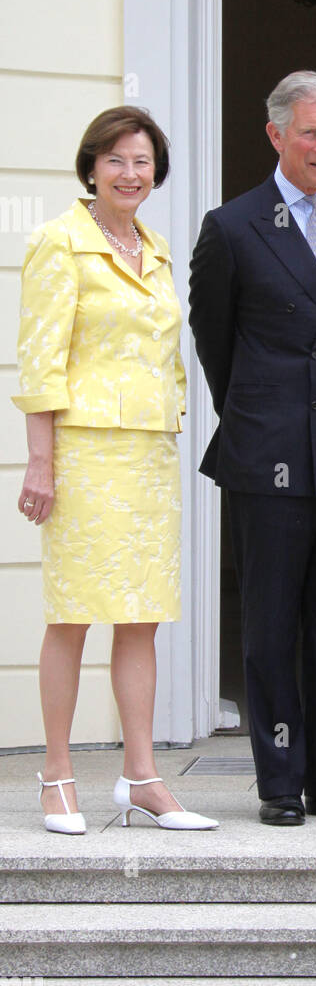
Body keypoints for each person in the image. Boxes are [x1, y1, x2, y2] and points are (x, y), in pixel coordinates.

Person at [189, 70, 316, 826]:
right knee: (272, 626)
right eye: (309, 132)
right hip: (268, 452)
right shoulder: (233, 224)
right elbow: (214, 341)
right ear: (275, 136)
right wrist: (257, 416)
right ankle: (279, 781)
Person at [14, 106, 217, 834]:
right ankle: (58, 776)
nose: (131, 174)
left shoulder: (156, 249)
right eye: (117, 161)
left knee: (141, 620)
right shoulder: (58, 243)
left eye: (143, 162)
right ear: (91, 167)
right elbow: (40, 363)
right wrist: (41, 463)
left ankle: (141, 778)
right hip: (81, 454)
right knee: (72, 616)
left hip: (148, 457)